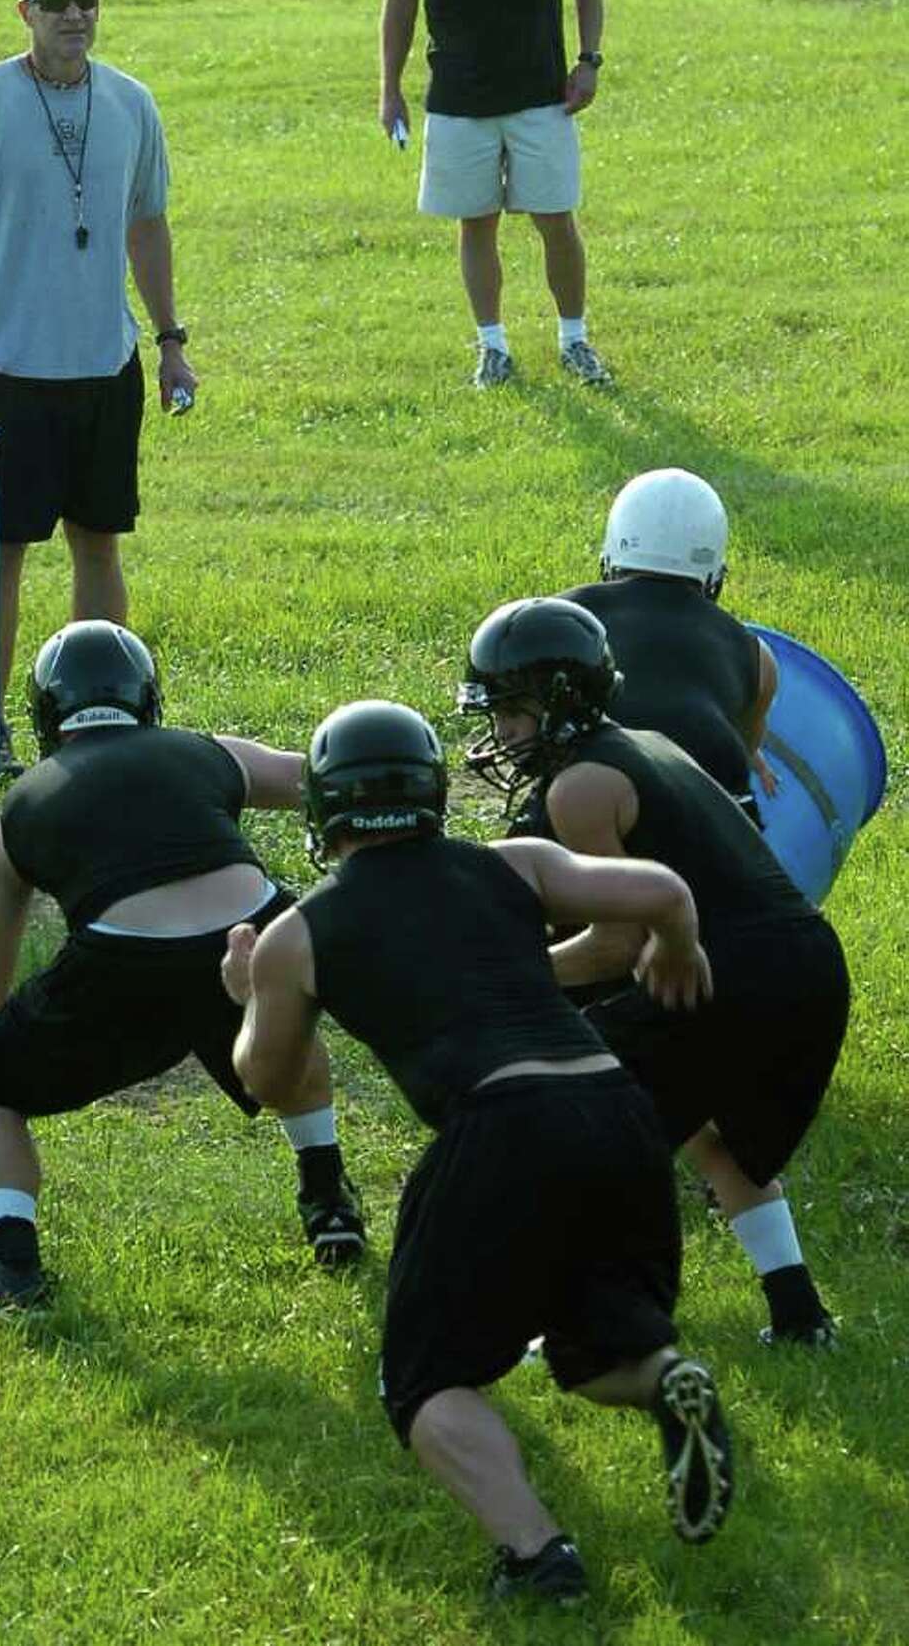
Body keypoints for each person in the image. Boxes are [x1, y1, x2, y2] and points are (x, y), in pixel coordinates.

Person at [222, 699, 733, 1608]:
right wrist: (677, 949)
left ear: (325, 810)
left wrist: (249, 992)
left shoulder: (300, 932)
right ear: (432, 792)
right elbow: (662, 891)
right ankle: (667, 1381)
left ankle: (540, 1561)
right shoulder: (516, 865)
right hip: (615, 1108)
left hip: (500, 1127)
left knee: (424, 1381)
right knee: (596, 1342)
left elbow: (267, 1080)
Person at [0, 621, 364, 1319]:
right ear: (147, 701)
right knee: (275, 1004)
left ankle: (13, 1276)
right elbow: (328, 777)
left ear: (47, 716)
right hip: (253, 927)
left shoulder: (16, 810)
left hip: (124, 957)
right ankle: (328, 1199)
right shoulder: (205, 753)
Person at [460, 596, 850, 1347]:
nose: (500, 729)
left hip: (727, 970)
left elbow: (618, 942)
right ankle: (799, 1315)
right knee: (717, 1136)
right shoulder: (648, 743)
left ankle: (578, 1322)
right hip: (807, 963)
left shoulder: (578, 789)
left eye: (512, 708)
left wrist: (514, 976)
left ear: (563, 701)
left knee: (565, 1121)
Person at [0, 0, 198, 778]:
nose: (76, 15)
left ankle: (99, 720)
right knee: (2, 553)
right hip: (6, 364)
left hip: (107, 365)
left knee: (99, 544)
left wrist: (171, 340)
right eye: (58, 2)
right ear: (25, 13)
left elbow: (148, 227)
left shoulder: (132, 105)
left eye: (88, 0)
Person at [379, 0, 612, 391]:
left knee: (555, 221)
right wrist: (389, 86)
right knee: (475, 223)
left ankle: (575, 340)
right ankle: (493, 347)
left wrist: (588, 60)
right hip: (458, 98)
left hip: (542, 95)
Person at [558, 468, 779, 812]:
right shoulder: (756, 656)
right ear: (714, 573)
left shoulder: (562, 617)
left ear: (612, 551)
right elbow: (743, 744)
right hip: (701, 836)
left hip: (583, 807)